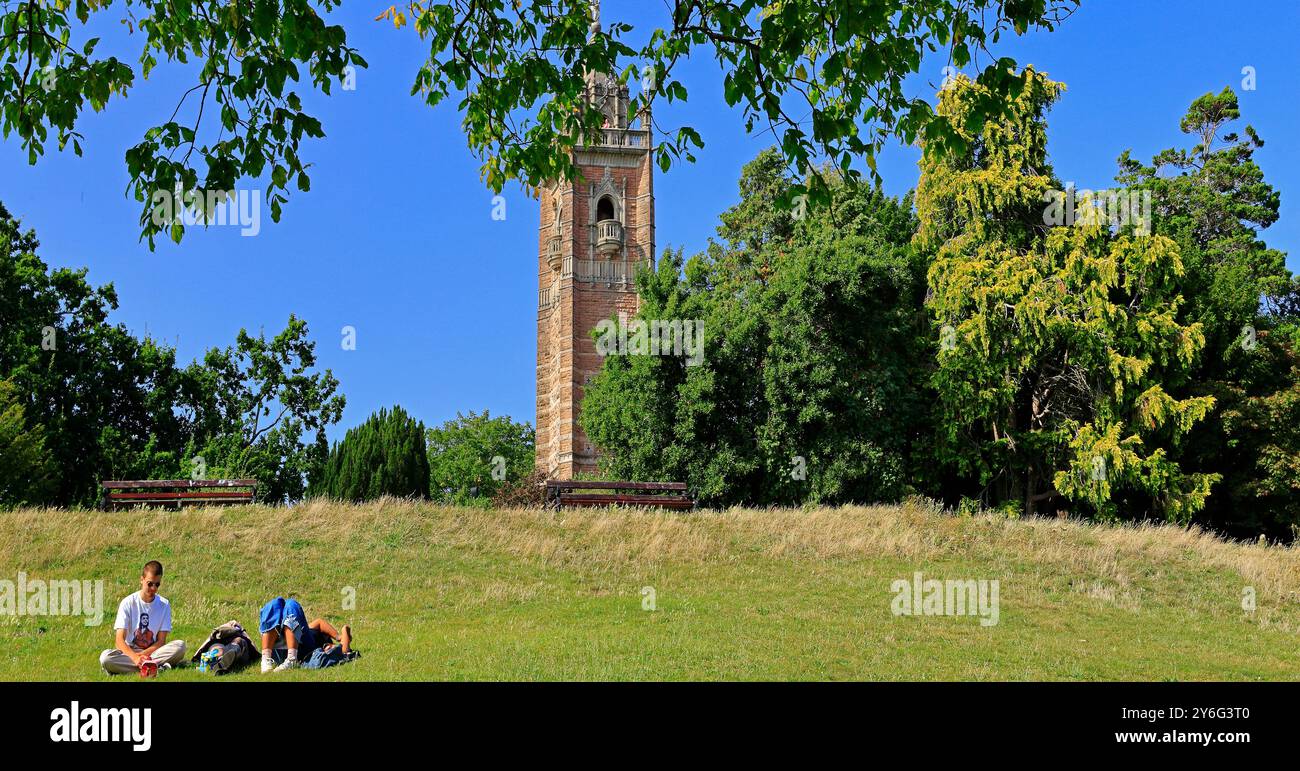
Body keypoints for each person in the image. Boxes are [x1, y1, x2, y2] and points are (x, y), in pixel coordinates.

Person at [99, 560, 186, 675]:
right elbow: (119, 640)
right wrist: (135, 658)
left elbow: (161, 641)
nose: (154, 588)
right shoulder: (128, 603)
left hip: (152, 652)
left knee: (180, 646)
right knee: (106, 658)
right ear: (142, 580)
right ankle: (155, 667)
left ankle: (141, 667)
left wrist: (143, 656)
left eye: (157, 584)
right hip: (129, 653)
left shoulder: (164, 604)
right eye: (150, 584)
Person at [258, 595, 354, 672]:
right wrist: (338, 637)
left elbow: (344, 648)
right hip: (277, 650)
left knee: (291, 604)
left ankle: (291, 659)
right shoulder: (310, 632)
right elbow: (319, 622)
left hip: (300, 649)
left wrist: (344, 633)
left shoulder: (321, 650)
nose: (330, 647)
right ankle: (266, 659)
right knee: (275, 603)